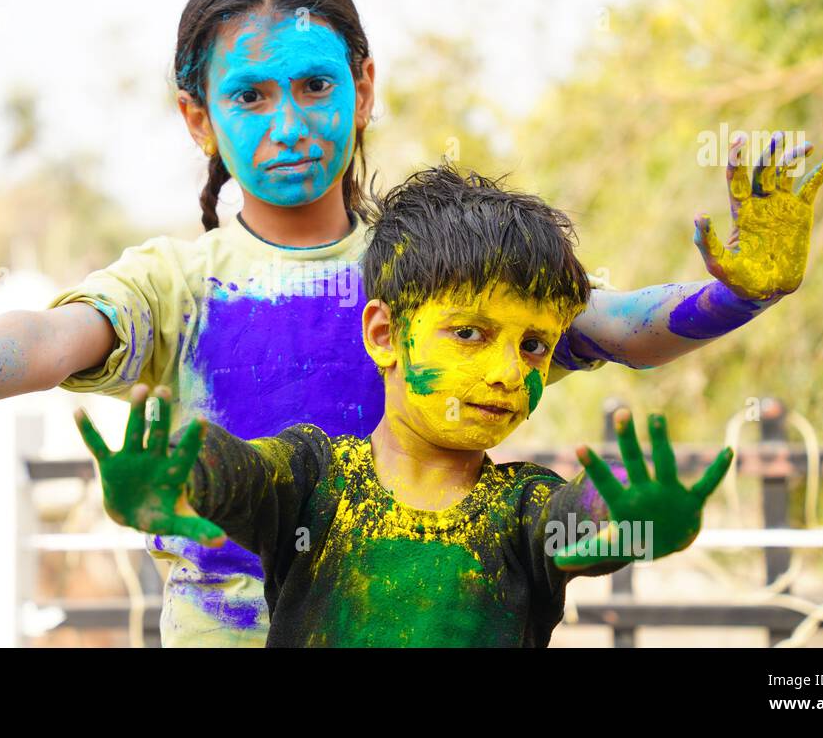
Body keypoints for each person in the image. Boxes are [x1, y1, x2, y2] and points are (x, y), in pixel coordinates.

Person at [0, 0, 823, 647]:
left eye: (315, 86)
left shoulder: (435, 269)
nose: (288, 121)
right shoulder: (179, 280)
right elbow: (50, 335)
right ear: (199, 118)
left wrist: (733, 293)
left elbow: (620, 325)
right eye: (250, 94)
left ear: (363, 87)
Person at [74, 165, 734, 647]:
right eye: (470, 332)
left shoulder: (525, 509)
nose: (507, 372)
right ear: (384, 335)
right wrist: (172, 477)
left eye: (534, 345)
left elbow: (588, 523)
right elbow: (234, 470)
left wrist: (639, 517)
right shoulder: (313, 479)